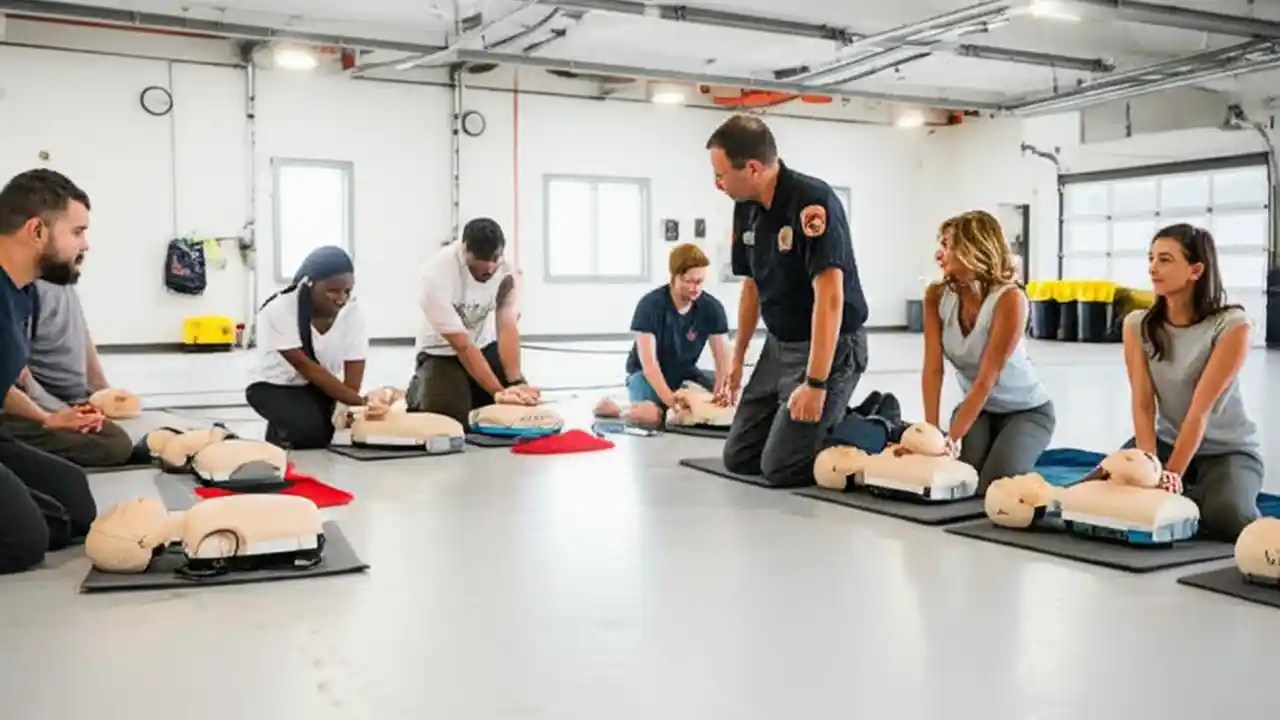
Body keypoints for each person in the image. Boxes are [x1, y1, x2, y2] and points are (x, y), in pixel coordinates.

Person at [708, 114, 870, 488]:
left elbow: (830, 298)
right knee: (740, 458)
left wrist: (816, 382)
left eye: (721, 175)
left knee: (781, 468)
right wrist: (738, 360)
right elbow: (751, 287)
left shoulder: (812, 202)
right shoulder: (745, 206)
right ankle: (810, 423)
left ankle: (871, 423)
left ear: (751, 168)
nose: (718, 185)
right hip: (779, 346)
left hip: (830, 347)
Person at [1121, 223, 1262, 542]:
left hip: (1225, 450)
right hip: (1165, 442)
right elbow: (1143, 404)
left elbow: (1200, 410)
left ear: (1196, 270)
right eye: (1151, 258)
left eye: (1165, 259)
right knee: (1100, 488)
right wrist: (1150, 468)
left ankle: (1200, 494)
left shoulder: (1233, 327)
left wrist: (1170, 475)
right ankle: (1188, 495)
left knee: (1230, 519)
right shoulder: (1136, 325)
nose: (1153, 268)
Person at [0, 168, 98, 575]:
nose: (85, 245)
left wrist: (47, 418)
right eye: (77, 232)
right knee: (23, 541)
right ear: (37, 230)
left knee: (74, 506)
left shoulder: (24, 295)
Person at [921, 210, 1054, 492]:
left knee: (991, 489)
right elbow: (933, 369)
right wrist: (931, 437)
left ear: (973, 249)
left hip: (1026, 411)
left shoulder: (1010, 299)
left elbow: (986, 380)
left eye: (947, 245)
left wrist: (951, 439)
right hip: (978, 411)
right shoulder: (935, 297)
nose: (939, 254)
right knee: (958, 477)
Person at [407, 218, 539, 425]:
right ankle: (418, 389)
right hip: (441, 352)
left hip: (483, 346)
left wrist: (516, 382)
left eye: (495, 258)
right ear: (465, 249)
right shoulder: (437, 273)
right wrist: (498, 392)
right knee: (450, 419)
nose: (489, 267)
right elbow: (461, 344)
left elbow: (507, 325)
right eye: (481, 259)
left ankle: (472, 390)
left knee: (519, 405)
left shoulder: (507, 273)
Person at [0, 274, 136, 467]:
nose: (84, 245)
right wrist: (52, 417)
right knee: (113, 444)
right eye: (75, 240)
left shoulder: (61, 281)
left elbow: (83, 339)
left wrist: (103, 397)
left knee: (115, 436)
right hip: (26, 408)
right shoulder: (20, 290)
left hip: (57, 403)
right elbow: (12, 382)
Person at [245, 245, 370, 449]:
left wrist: (351, 408)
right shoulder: (280, 309)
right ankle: (281, 431)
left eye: (347, 291)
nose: (342, 298)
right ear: (310, 282)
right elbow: (307, 368)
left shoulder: (352, 313)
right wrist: (363, 404)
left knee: (330, 429)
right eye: (333, 290)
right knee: (311, 434)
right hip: (274, 387)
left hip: (317, 387)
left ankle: (287, 425)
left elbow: (353, 376)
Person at [625, 243, 731, 412]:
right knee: (652, 415)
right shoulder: (650, 306)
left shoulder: (712, 308)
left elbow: (723, 360)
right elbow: (649, 365)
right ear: (674, 276)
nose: (694, 288)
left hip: (685, 373)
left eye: (699, 281)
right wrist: (671, 402)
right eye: (688, 281)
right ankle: (614, 409)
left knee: (732, 398)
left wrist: (721, 390)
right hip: (645, 375)